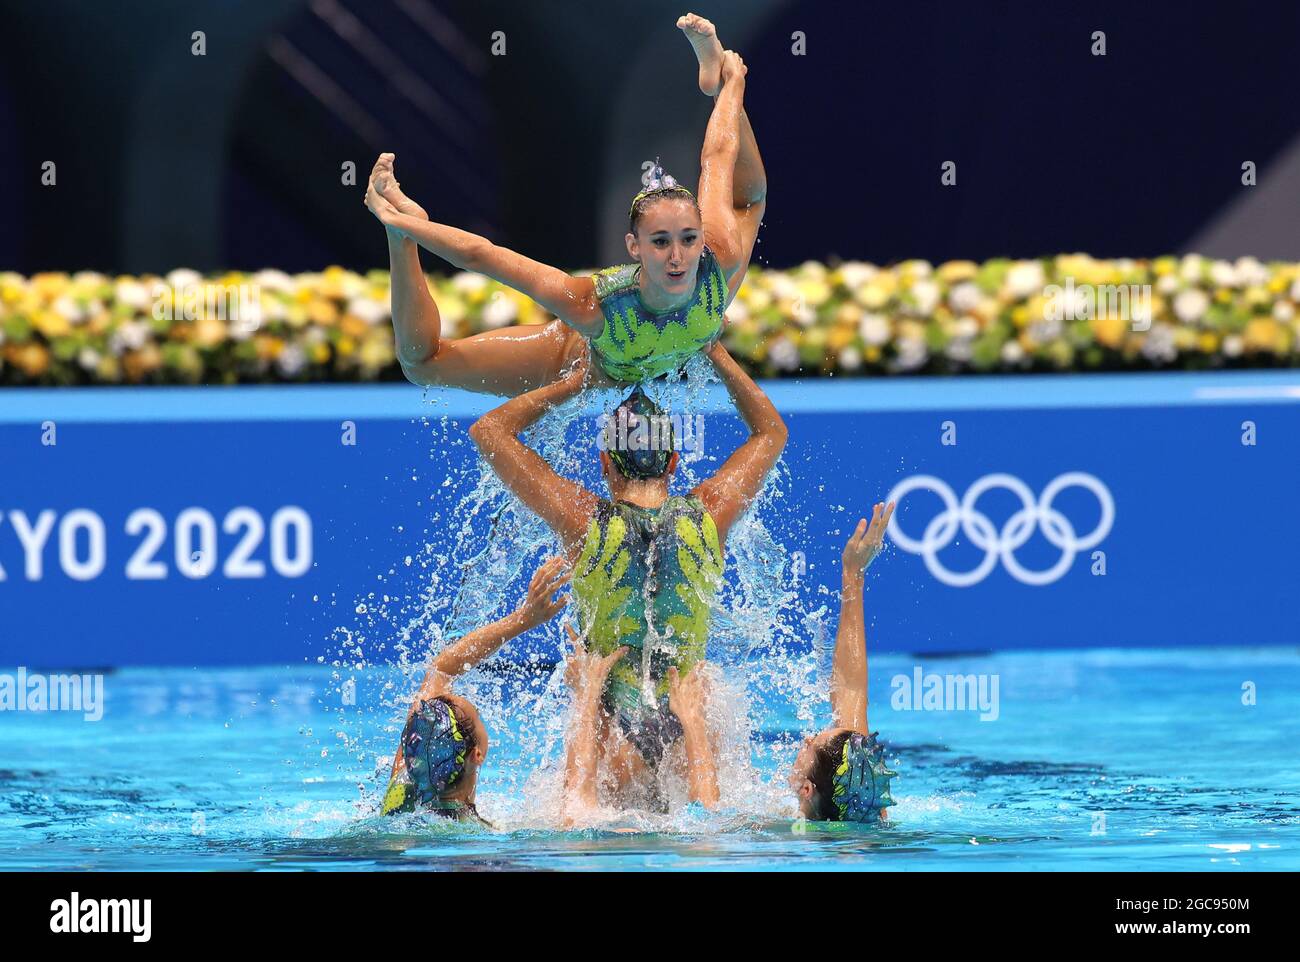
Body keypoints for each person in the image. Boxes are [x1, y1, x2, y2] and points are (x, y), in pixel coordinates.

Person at [364, 17, 765, 395]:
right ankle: (400, 239)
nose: (678, 257)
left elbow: (719, 155)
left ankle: (715, 82)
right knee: (423, 365)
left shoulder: (719, 260)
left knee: (749, 200)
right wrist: (404, 225)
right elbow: (482, 256)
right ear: (634, 248)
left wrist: (731, 88)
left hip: (667, 342)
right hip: (581, 362)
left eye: (689, 239)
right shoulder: (591, 306)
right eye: (660, 242)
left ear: (701, 240)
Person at [467, 340, 787, 803]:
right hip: (690, 730)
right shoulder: (709, 516)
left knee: (587, 822)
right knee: (706, 830)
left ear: (603, 463)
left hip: (610, 736)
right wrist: (712, 350)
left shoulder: (582, 521)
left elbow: (490, 430)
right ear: (674, 462)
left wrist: (575, 383)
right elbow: (769, 433)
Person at [380, 556, 571, 822]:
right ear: (477, 754)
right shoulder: (481, 836)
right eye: (478, 715)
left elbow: (443, 669)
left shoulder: (400, 791)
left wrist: (522, 619)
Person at [789, 502, 899, 823]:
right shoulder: (864, 804)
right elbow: (850, 690)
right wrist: (854, 574)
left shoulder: (780, 835)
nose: (807, 738)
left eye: (810, 745)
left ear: (806, 790)